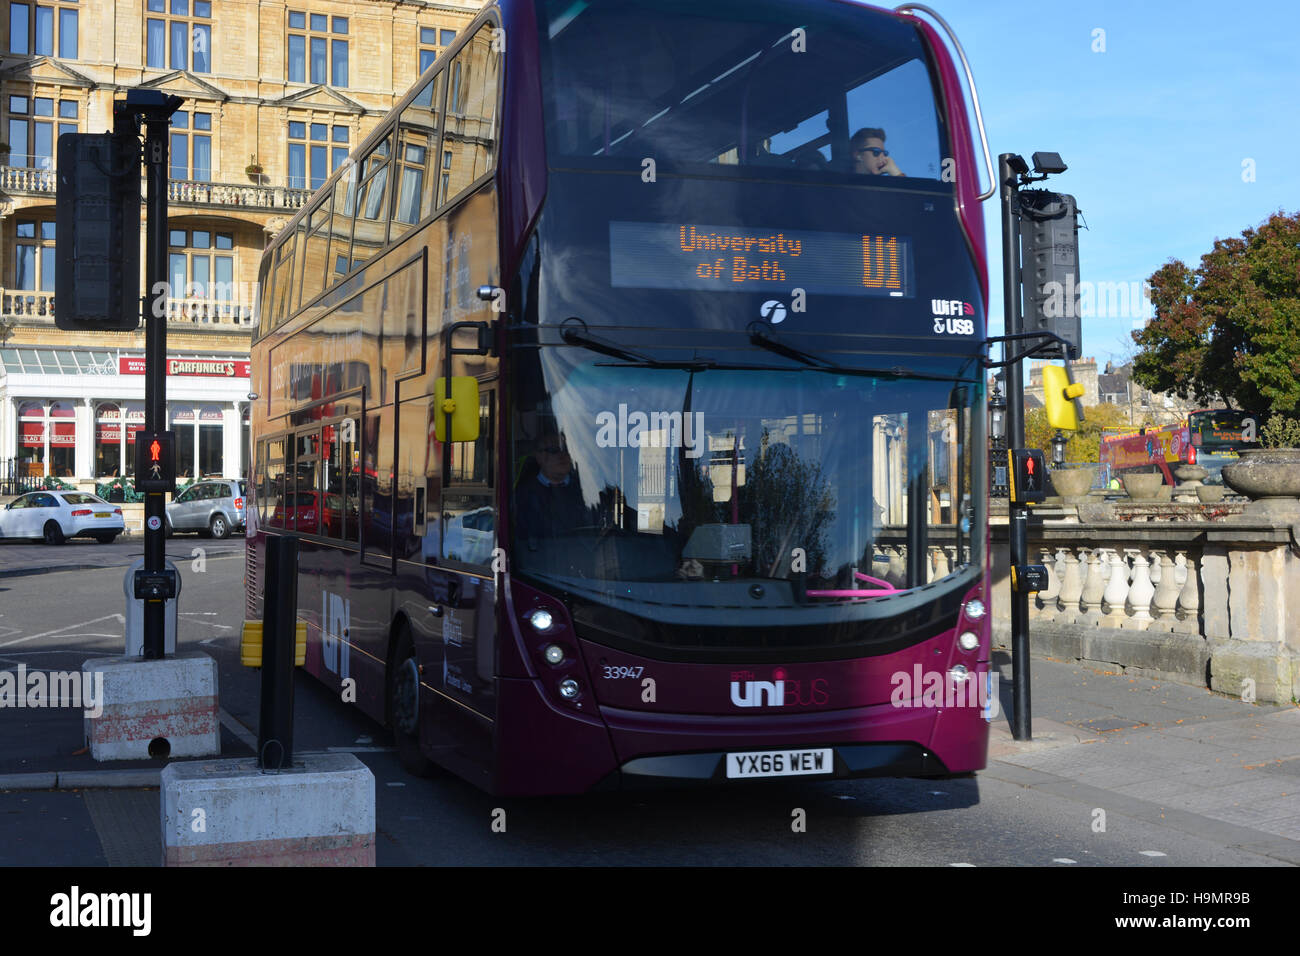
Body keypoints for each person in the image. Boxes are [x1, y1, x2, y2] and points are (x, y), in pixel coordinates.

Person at [514, 431, 590, 548]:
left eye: (566, 449)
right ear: (539, 456)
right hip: (538, 562)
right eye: (554, 450)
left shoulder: (586, 489)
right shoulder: (523, 494)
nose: (563, 455)